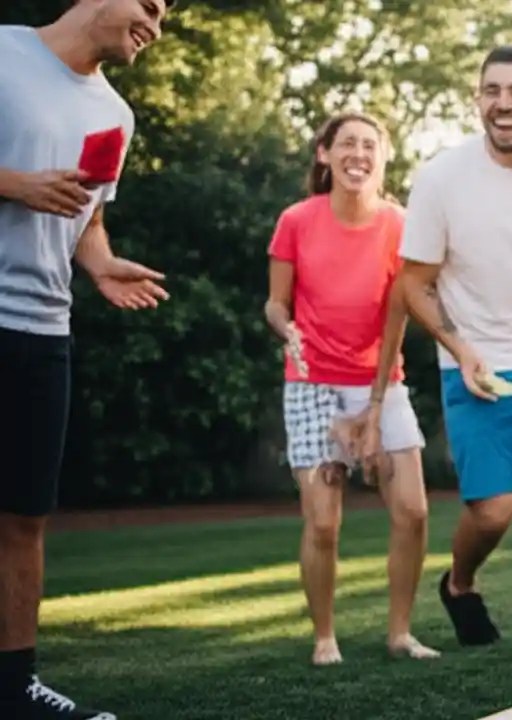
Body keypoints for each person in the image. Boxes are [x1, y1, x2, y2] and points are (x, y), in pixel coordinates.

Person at [362, 44, 512, 657]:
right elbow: (413, 282)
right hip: (479, 367)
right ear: (478, 100)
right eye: (492, 90)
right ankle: (460, 582)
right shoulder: (442, 176)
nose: (504, 103)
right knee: (494, 512)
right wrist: (461, 349)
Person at [0, 2, 174, 718]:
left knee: (23, 518)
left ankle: (13, 693)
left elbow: (88, 217)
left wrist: (99, 266)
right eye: (152, 6)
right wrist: (15, 184)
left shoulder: (117, 116)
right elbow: (36, 191)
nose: (156, 27)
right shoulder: (4, 52)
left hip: (43, 330)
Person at [264, 111, 438, 666]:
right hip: (311, 383)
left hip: (380, 381)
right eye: (347, 144)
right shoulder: (295, 219)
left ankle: (400, 633)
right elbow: (276, 301)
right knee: (322, 521)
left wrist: (378, 401)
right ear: (325, 155)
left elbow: (398, 318)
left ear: (383, 158)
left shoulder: (400, 225)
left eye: (370, 145)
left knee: (412, 511)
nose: (358, 154)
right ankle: (324, 638)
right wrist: (283, 327)